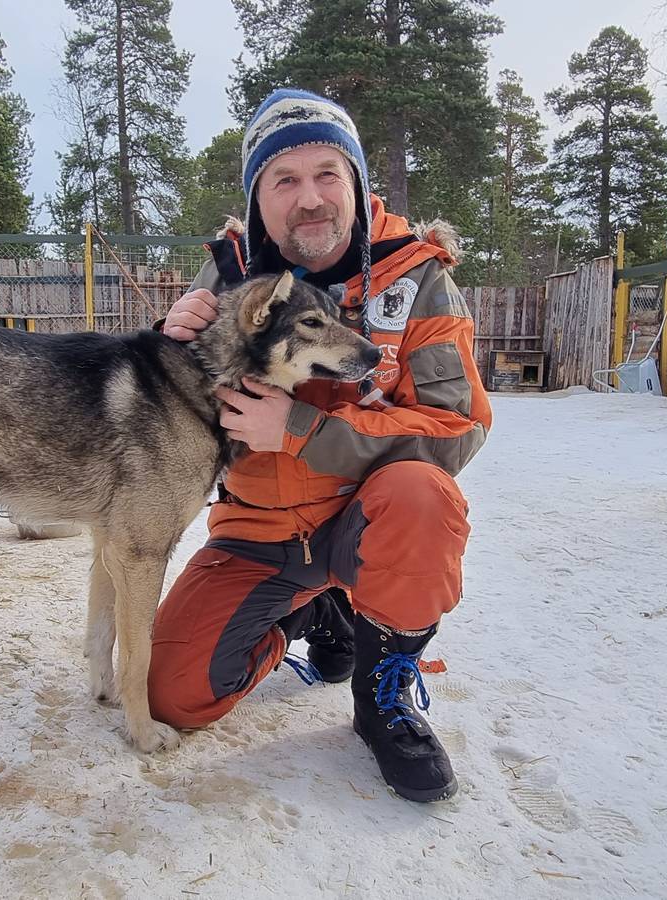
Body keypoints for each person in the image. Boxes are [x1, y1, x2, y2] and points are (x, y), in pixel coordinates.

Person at [148, 88, 492, 802]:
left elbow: (456, 431)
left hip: (365, 521)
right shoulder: (230, 274)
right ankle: (304, 612)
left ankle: (382, 690)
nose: (309, 199)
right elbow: (172, 414)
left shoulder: (417, 276)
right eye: (284, 179)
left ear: (356, 181)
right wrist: (167, 348)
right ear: (257, 197)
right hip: (257, 528)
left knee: (423, 494)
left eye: (326, 174)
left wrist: (301, 431)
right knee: (174, 695)